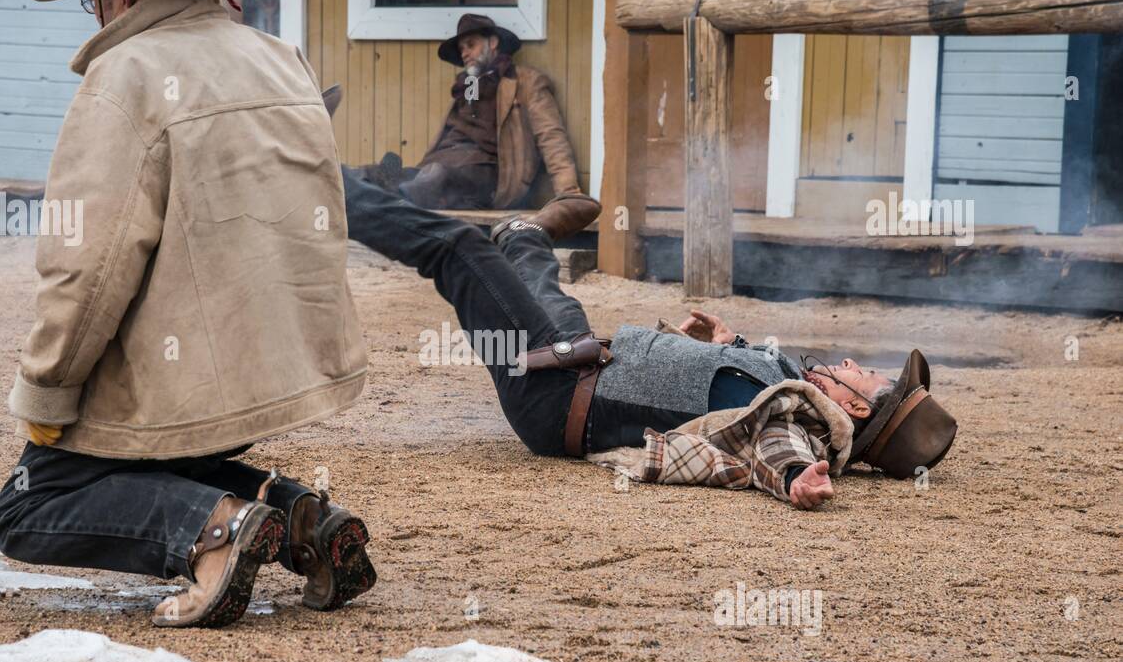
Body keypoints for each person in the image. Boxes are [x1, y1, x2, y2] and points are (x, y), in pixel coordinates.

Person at [0, 0, 375, 628]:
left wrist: (47, 390)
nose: (96, 12)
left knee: (28, 500)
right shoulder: (278, 55)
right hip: (280, 365)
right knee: (145, 460)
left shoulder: (123, 77)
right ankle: (298, 517)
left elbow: (89, 268)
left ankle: (216, 531)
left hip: (186, 378)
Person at [338, 167, 958, 509]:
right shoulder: (787, 383)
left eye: (867, 376)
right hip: (582, 354)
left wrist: (799, 478)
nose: (853, 363)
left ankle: (320, 177)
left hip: (555, 394)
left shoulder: (798, 419)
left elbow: (776, 446)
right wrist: (726, 343)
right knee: (533, 278)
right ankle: (524, 232)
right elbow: (742, 396)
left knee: (458, 249)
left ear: (852, 407)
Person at [362, 13, 596, 219]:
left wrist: (568, 193)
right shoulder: (467, 86)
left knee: (434, 176)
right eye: (462, 49)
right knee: (383, 174)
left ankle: (392, 199)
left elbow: (551, 136)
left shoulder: (526, 82)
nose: (465, 53)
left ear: (492, 43)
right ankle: (371, 184)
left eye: (470, 45)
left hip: (486, 176)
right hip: (442, 167)